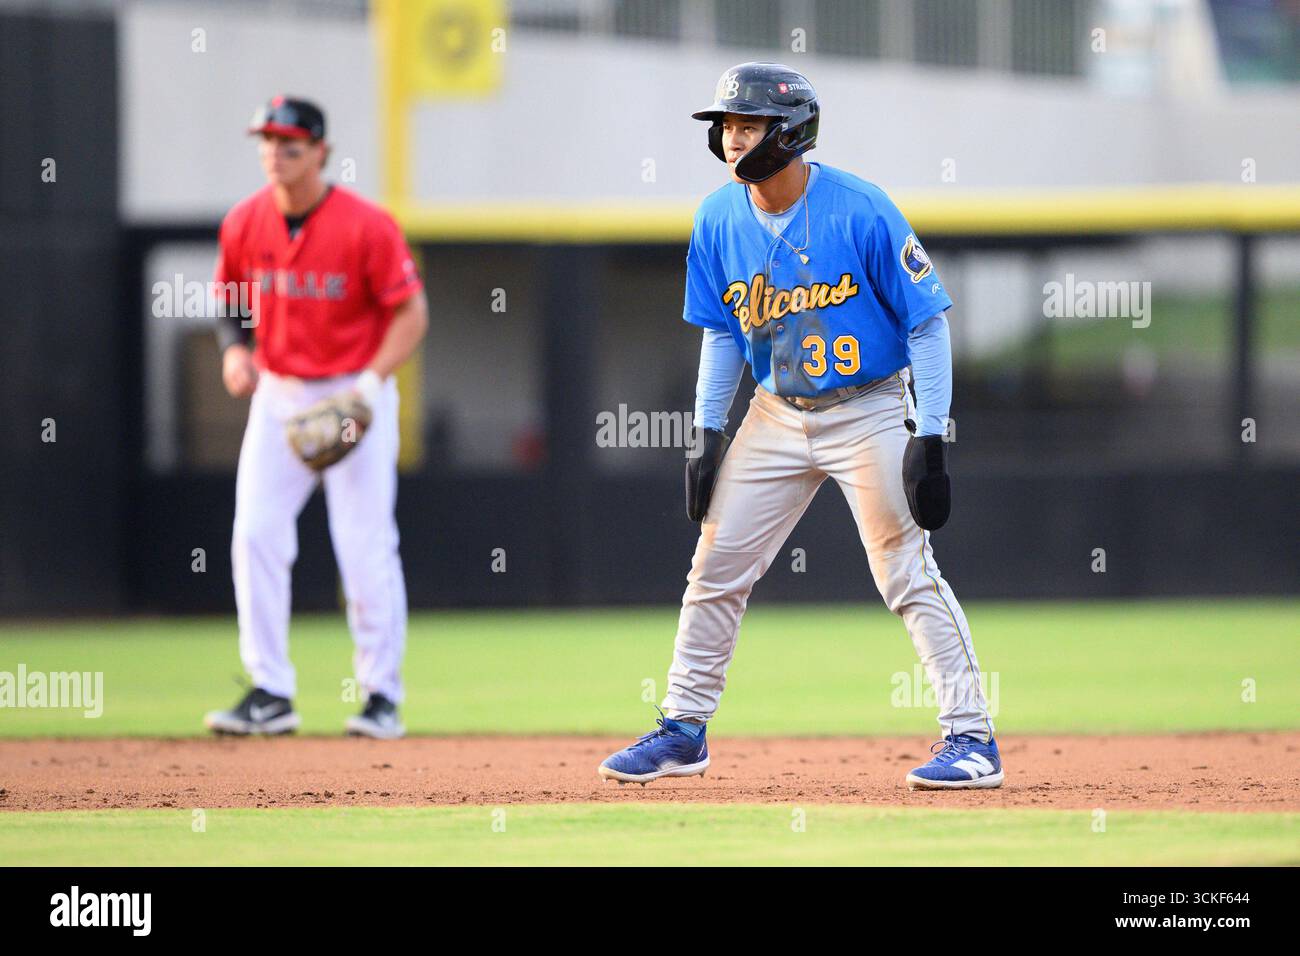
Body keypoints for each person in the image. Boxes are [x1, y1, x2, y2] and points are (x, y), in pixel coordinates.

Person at [598, 64, 1001, 790]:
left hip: (869, 405)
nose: (729, 138)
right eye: (725, 125)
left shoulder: (861, 207)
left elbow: (929, 324)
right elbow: (722, 334)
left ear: (789, 133)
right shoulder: (718, 217)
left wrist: (930, 436)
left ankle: (971, 738)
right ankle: (683, 730)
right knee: (714, 570)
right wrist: (707, 434)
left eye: (746, 125)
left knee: (905, 573)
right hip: (776, 412)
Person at [204, 96, 428, 739]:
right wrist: (234, 352)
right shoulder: (245, 221)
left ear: (321, 152)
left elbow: (411, 314)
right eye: (267, 141)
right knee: (255, 533)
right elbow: (230, 304)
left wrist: (368, 384)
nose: (276, 153)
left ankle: (381, 697)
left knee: (362, 545)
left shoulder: (366, 225)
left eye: (290, 143)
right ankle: (271, 690)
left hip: (355, 392)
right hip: (280, 394)